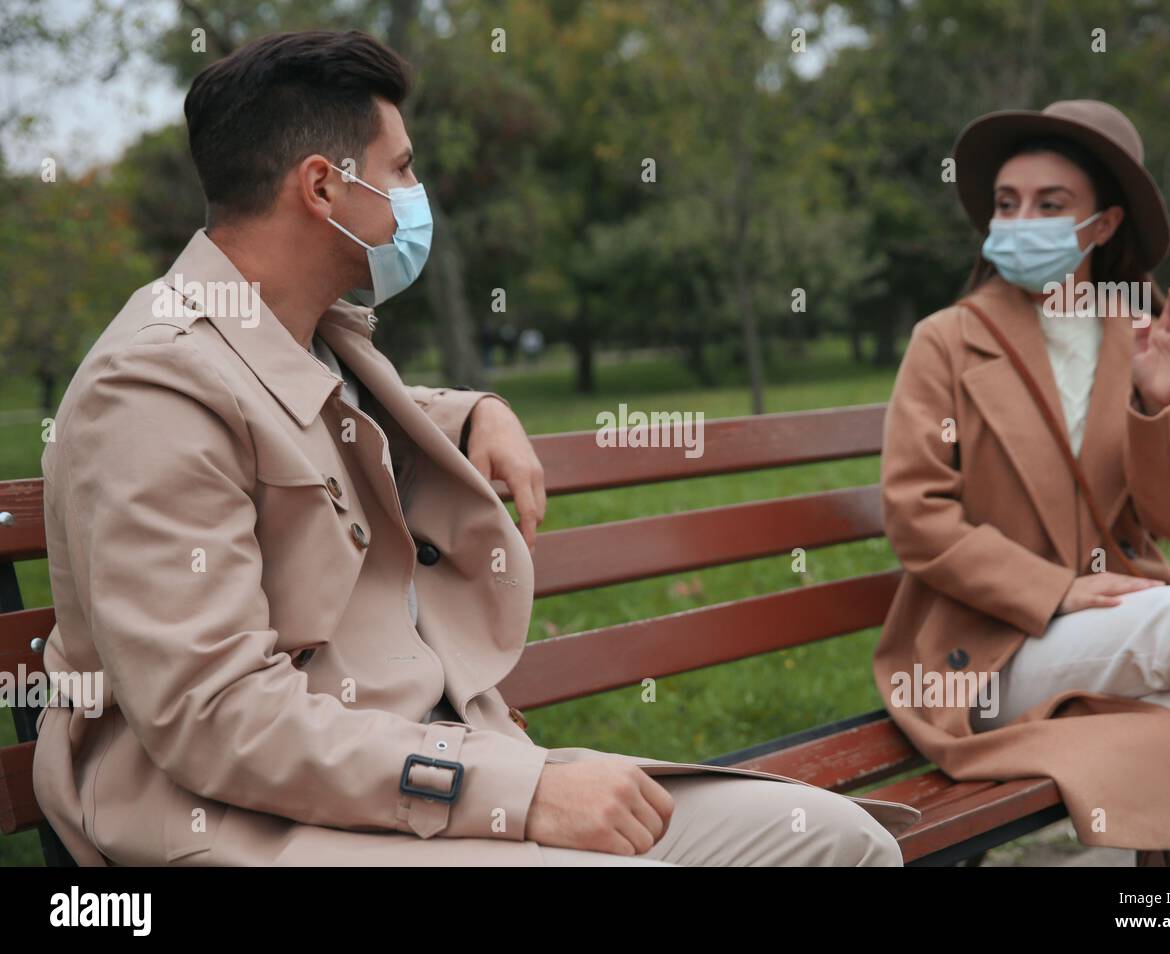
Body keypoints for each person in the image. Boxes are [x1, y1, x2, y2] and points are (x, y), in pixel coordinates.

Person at [32, 29, 914, 867]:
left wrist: (473, 410)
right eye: (402, 169)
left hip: (428, 779)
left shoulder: (301, 339)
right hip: (249, 824)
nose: (418, 196)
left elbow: (316, 413)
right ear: (322, 187)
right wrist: (519, 791)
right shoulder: (147, 389)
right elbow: (215, 717)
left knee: (836, 843)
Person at [874, 99, 1170, 865]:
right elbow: (916, 516)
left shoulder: (1142, 334)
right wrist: (1057, 591)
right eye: (1007, 204)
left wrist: (1160, 402)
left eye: (1049, 204)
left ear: (1102, 226)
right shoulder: (946, 342)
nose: (1019, 221)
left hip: (1116, 640)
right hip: (988, 655)